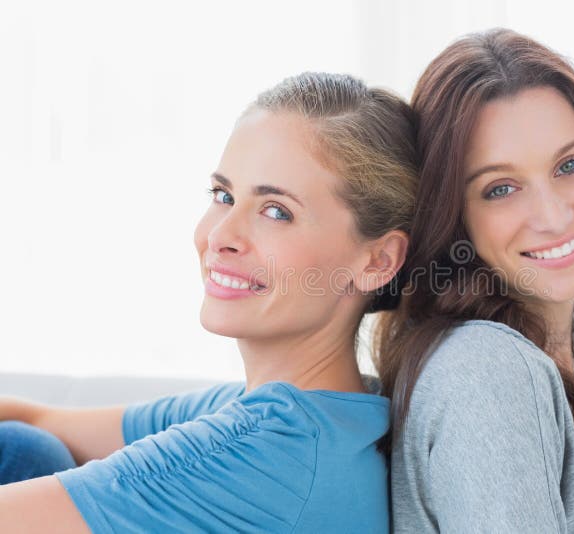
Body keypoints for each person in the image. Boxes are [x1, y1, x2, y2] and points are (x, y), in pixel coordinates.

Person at [0, 71, 417, 533]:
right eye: (224, 195)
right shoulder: (333, 411)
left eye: (276, 211)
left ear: (378, 259)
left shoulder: (269, 453)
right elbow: (40, 417)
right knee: (28, 447)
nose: (220, 236)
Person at [374, 28, 574, 533]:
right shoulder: (492, 373)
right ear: (452, 216)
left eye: (570, 164)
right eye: (501, 188)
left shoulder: (537, 364)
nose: (552, 215)